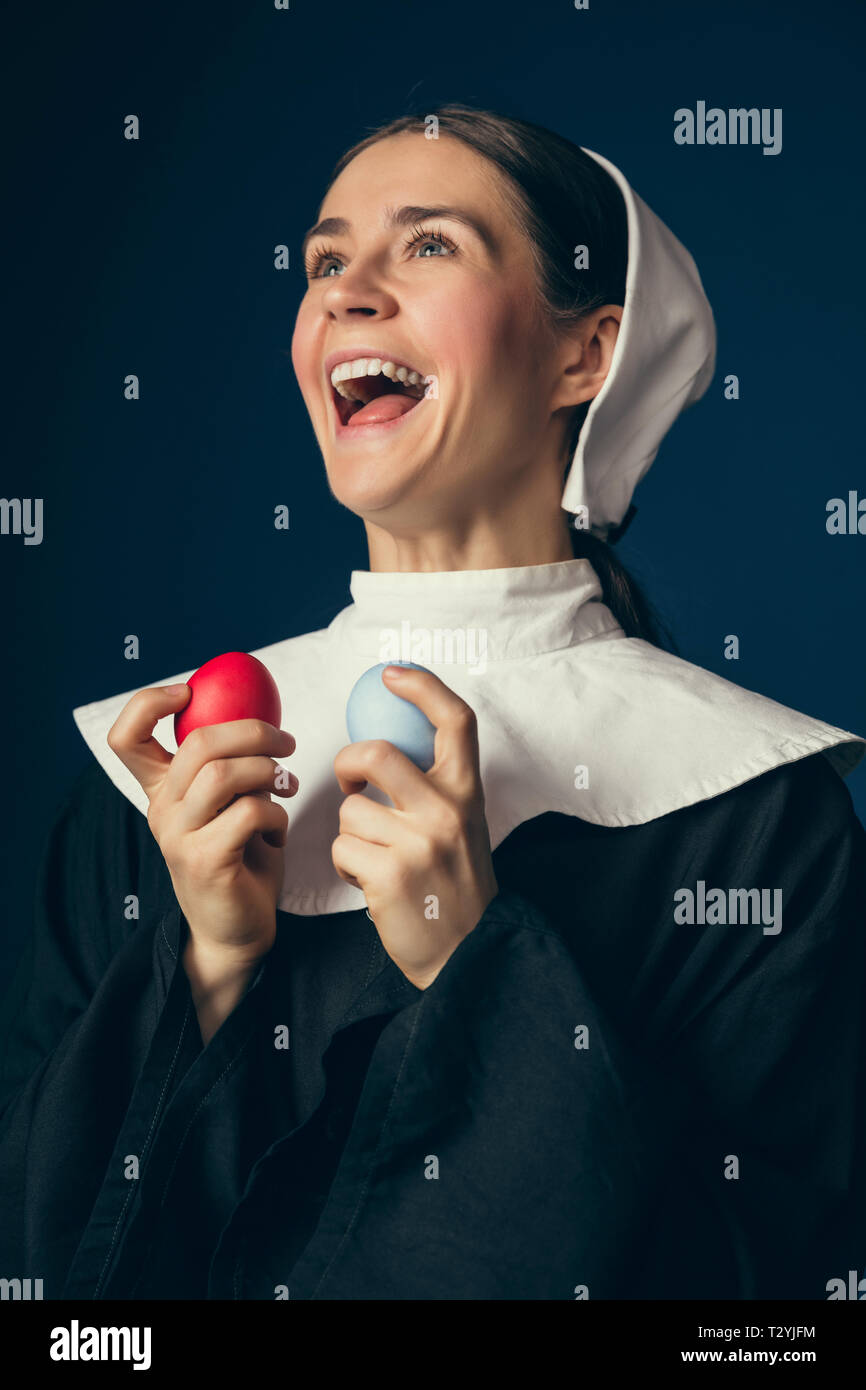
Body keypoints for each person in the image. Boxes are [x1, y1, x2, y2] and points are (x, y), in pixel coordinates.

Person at [1, 104, 864, 1302]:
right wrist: (204, 970)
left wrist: (480, 969)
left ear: (586, 355)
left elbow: (763, 1313)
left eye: (427, 245)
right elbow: (43, 1291)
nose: (345, 290)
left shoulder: (758, 825)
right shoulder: (149, 789)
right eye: (322, 259)